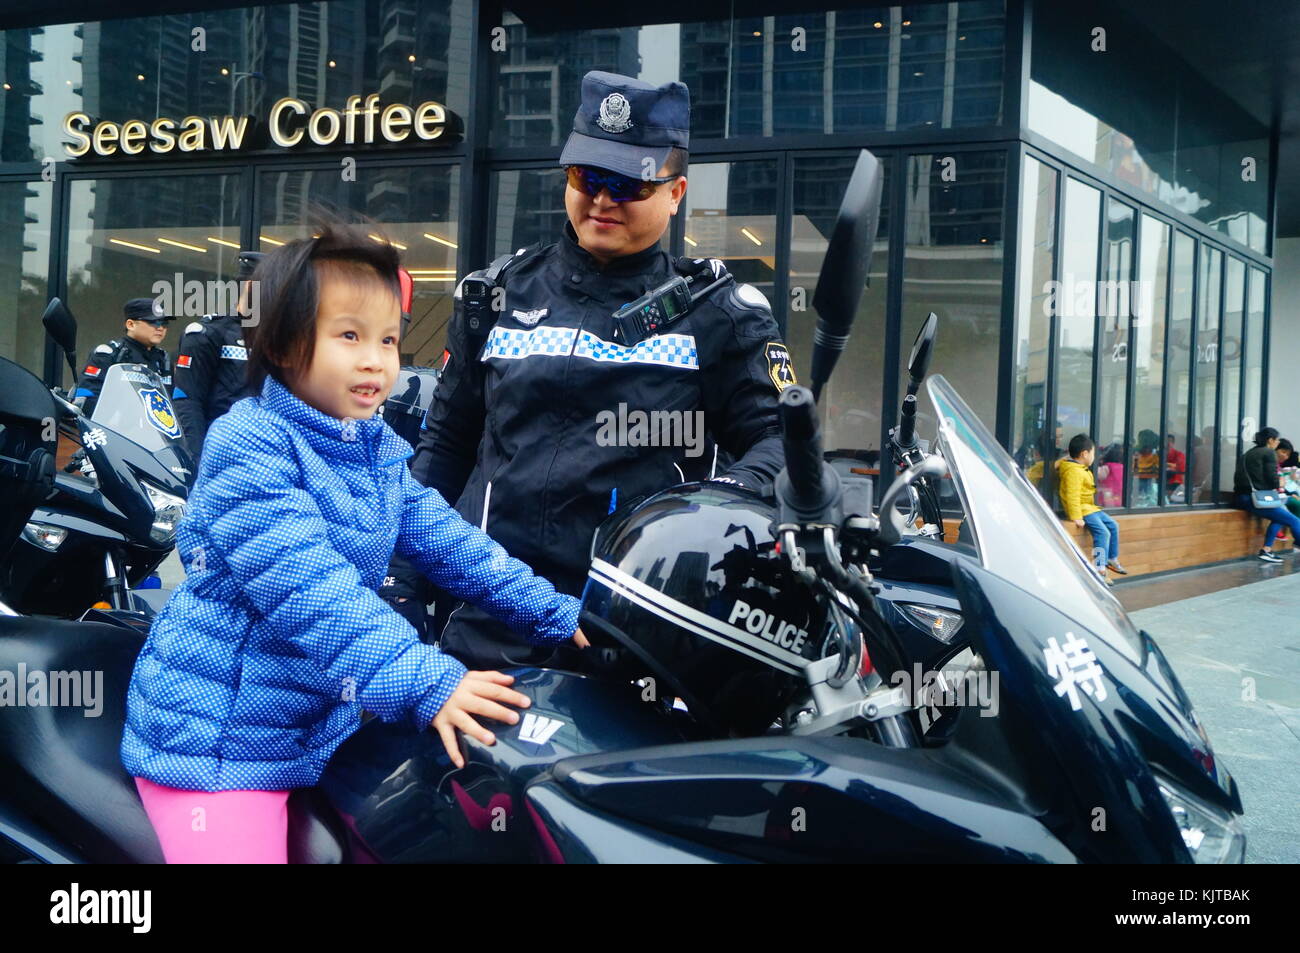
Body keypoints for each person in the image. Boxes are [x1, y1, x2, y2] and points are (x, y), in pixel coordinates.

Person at [119, 222, 588, 864]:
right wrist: (431, 681)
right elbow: (311, 592)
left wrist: (563, 616)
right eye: (350, 336)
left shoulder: (372, 453)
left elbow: (455, 545)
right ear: (283, 344)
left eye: (389, 340)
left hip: (319, 726)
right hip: (217, 744)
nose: (377, 360)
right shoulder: (248, 446)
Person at [389, 70, 790, 667]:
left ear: (675, 192)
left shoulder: (717, 313)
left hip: (631, 634)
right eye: (587, 176)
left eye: (628, 183)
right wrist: (400, 582)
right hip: (485, 621)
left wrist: (715, 507)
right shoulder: (495, 294)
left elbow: (779, 445)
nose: (602, 198)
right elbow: (446, 445)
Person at [172, 250, 264, 467]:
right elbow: (188, 401)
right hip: (222, 453)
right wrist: (197, 461)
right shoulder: (208, 333)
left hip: (268, 454)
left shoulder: (285, 340)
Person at [74, 297, 175, 416]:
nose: (160, 328)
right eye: (153, 322)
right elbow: (87, 396)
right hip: (112, 429)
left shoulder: (163, 360)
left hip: (153, 432)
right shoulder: (109, 354)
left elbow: (171, 404)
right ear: (130, 324)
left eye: (164, 323)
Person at [1058, 434, 1127, 579]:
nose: (1094, 457)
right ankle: (1100, 566)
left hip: (1091, 508)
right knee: (1103, 533)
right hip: (1084, 510)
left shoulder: (1080, 468)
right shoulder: (1073, 471)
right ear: (1084, 454)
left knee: (1113, 525)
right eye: (1093, 453)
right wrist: (1076, 517)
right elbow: (1072, 495)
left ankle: (1111, 558)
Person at [1234, 426, 1300, 562]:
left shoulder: (1248, 453)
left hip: (1242, 497)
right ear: (1270, 440)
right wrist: (1280, 482)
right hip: (1254, 498)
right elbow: (1273, 480)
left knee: (1280, 517)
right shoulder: (1268, 453)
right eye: (1276, 441)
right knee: (1295, 520)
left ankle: (1266, 550)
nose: (1277, 444)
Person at [1132, 428, 1160, 506]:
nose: (1147, 450)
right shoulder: (1136, 453)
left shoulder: (1154, 455)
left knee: (1147, 495)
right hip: (1138, 478)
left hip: (1147, 477)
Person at [1095, 443, 1125, 508]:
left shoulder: (1107, 467)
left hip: (1107, 499)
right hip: (1120, 499)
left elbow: (1095, 474)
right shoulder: (1123, 468)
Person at [1165, 433, 1186, 502]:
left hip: (1175, 484)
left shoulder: (1179, 454)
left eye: (1170, 441)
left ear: (1173, 443)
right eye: (1165, 441)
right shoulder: (1158, 454)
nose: (1168, 443)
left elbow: (1180, 469)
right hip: (1161, 483)